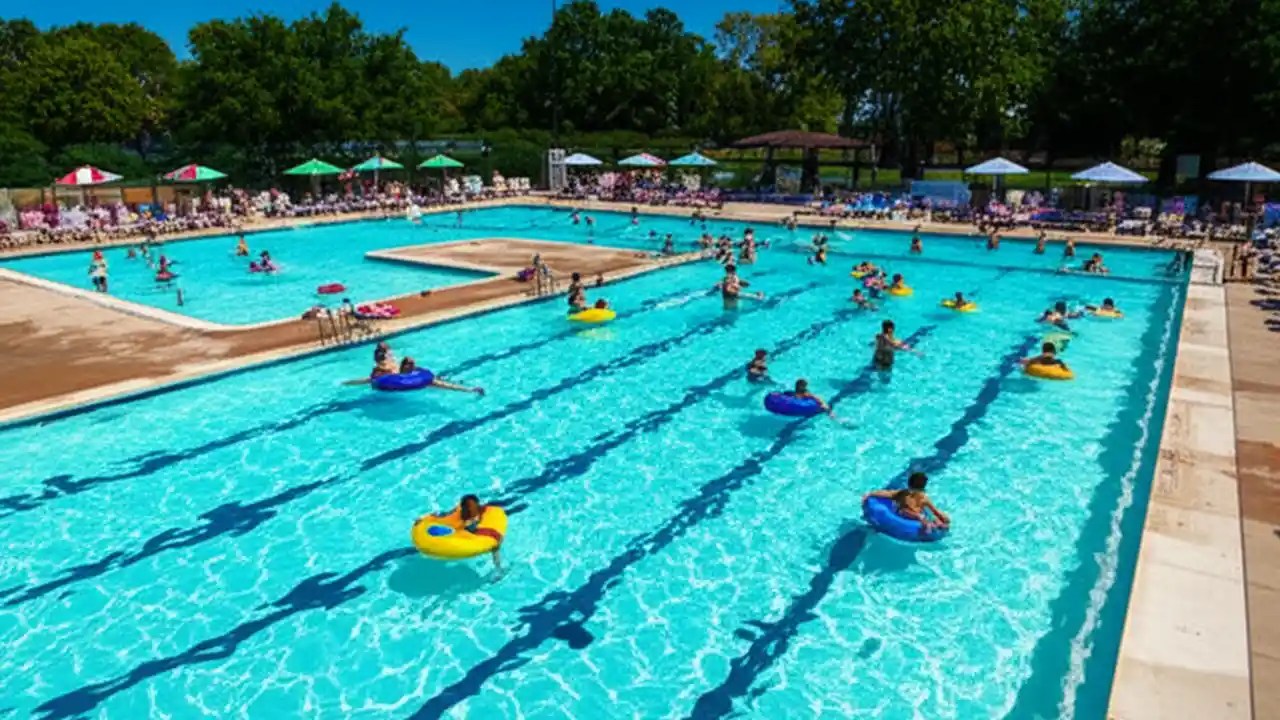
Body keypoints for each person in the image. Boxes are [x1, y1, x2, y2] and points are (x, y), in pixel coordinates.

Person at [864, 472, 949, 533]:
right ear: (923, 488)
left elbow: (885, 493)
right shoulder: (924, 498)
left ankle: (931, 523)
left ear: (909, 484)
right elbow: (935, 511)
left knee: (905, 511)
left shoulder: (901, 494)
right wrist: (942, 518)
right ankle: (934, 524)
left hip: (910, 516)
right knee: (927, 516)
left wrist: (869, 494)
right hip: (917, 516)